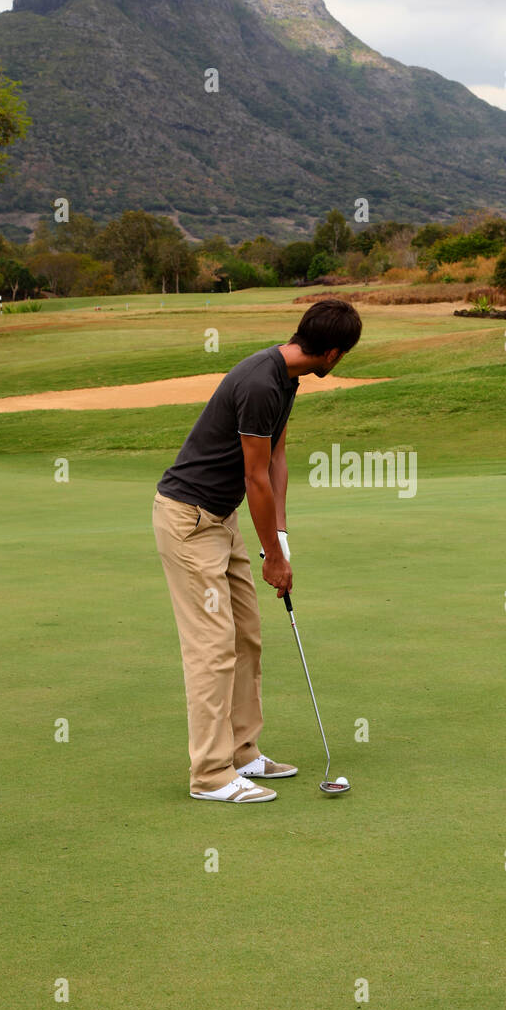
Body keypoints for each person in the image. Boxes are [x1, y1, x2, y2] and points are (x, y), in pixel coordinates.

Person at [152, 297, 363, 803]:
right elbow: (254, 478)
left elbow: (277, 459)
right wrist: (274, 558)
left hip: (220, 519)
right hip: (188, 520)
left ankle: (242, 752)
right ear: (332, 353)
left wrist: (281, 537)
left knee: (246, 636)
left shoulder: (285, 379)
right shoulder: (260, 382)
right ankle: (210, 775)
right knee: (212, 648)